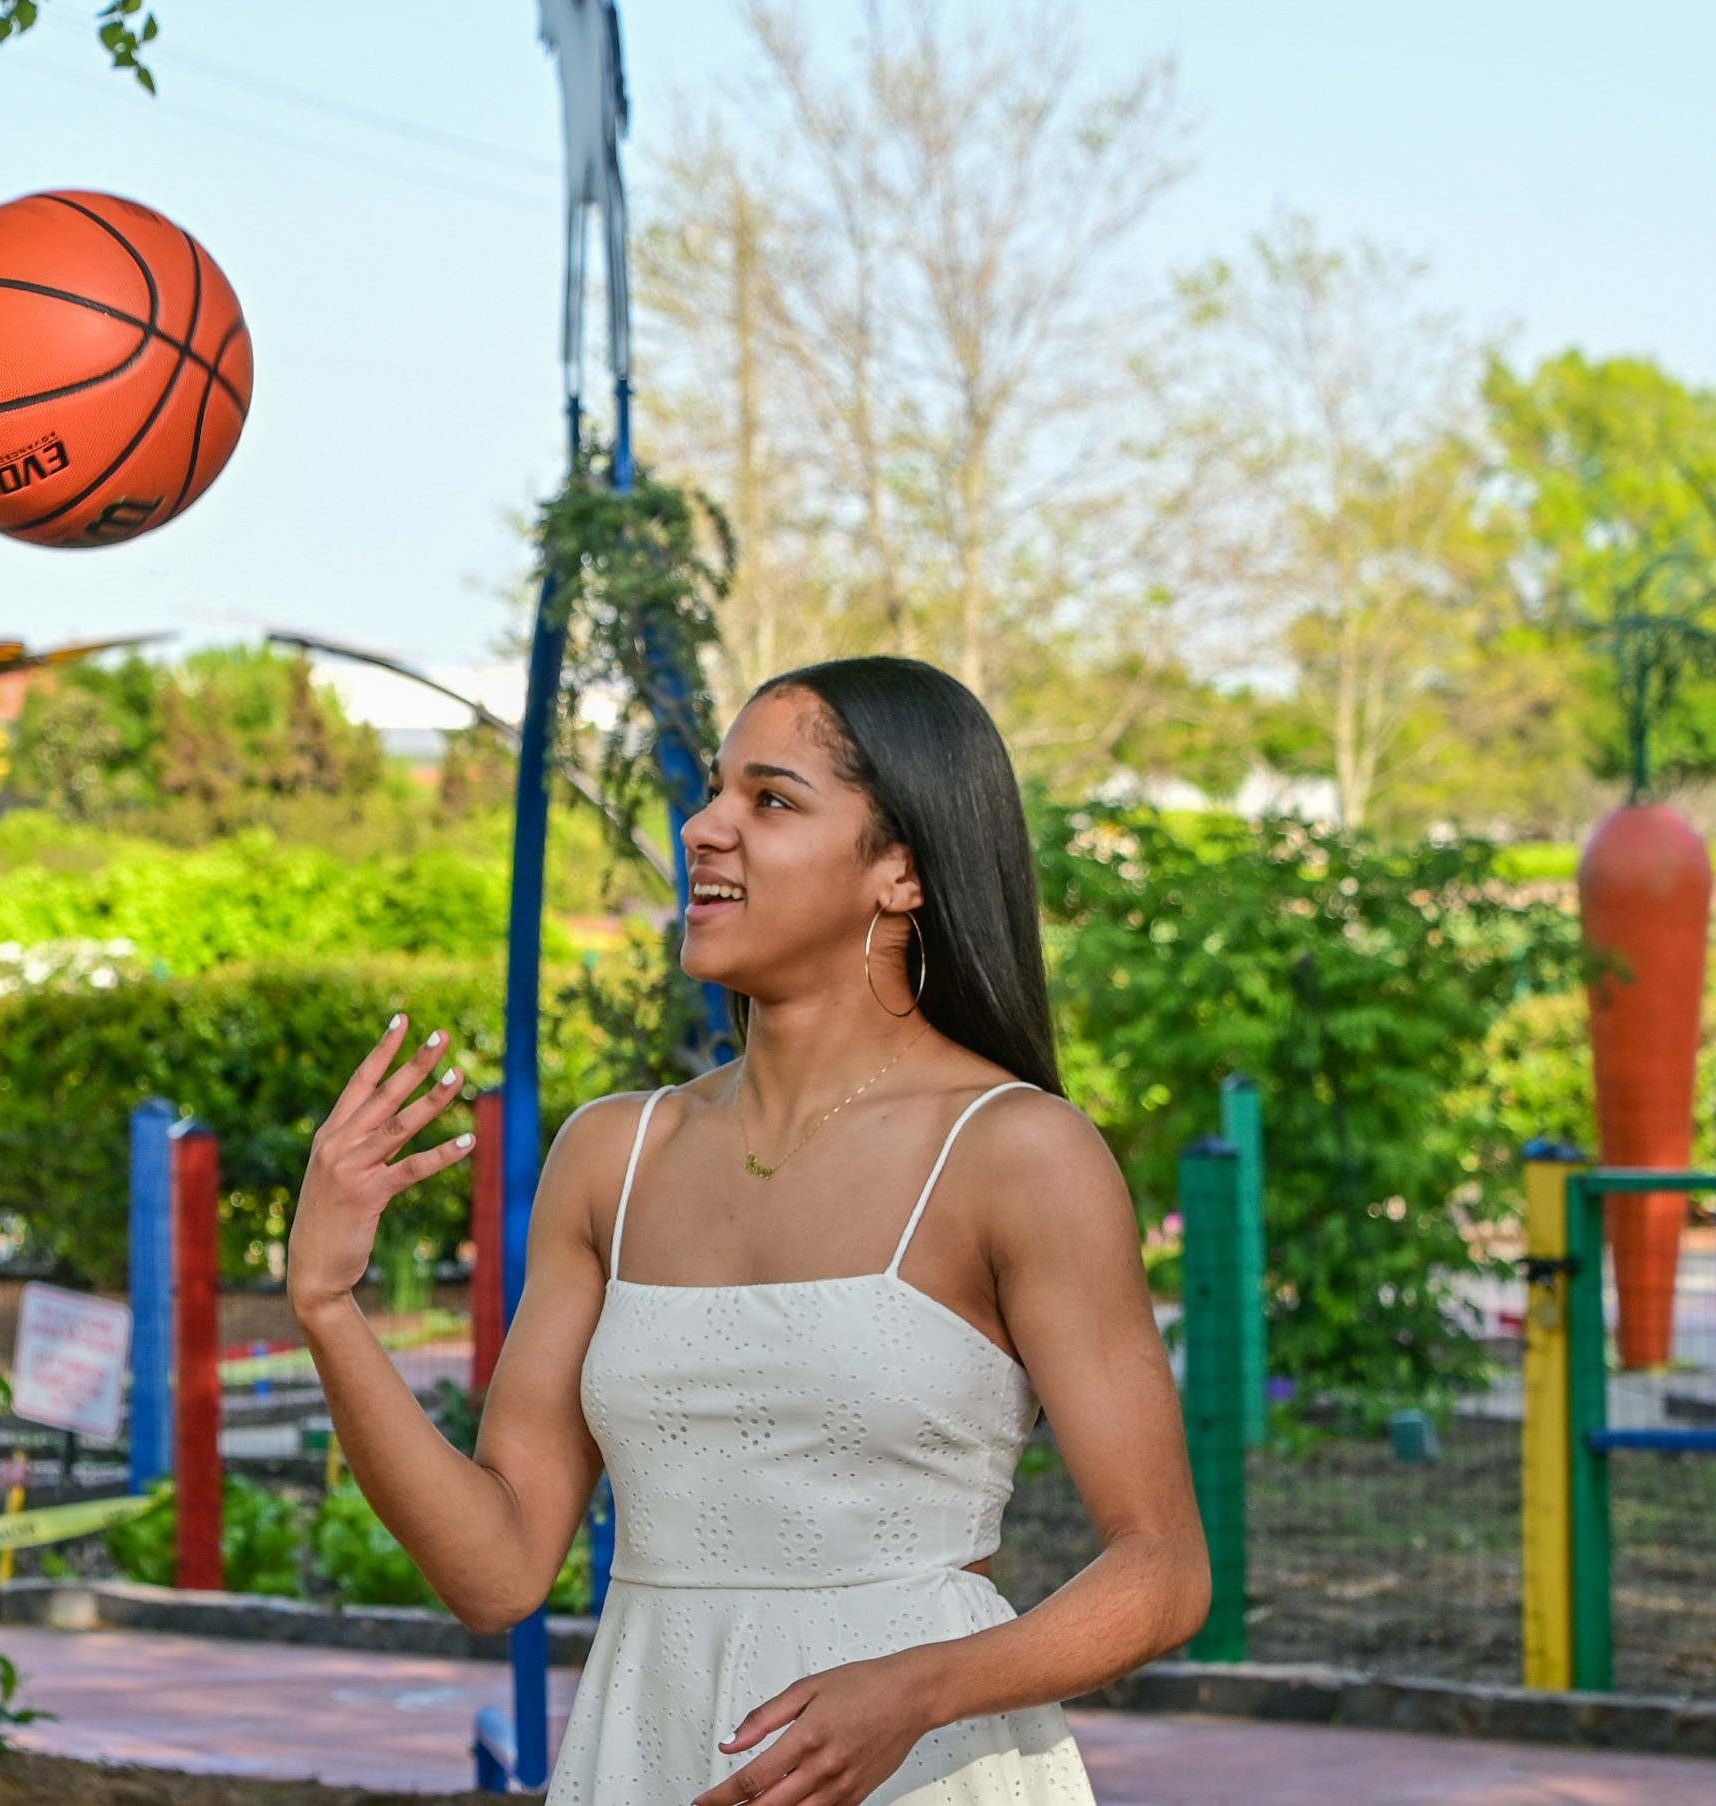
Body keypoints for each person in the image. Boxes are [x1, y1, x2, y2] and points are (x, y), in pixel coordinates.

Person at [287, 657, 1209, 1806]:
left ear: (900, 870)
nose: (702, 827)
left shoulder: (1016, 1152)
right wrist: (327, 1309)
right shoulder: (610, 1157)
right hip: (645, 1751)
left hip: (922, 1769)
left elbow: (1162, 1571)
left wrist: (915, 1692)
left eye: (768, 800)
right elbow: (497, 1572)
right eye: (714, 790)